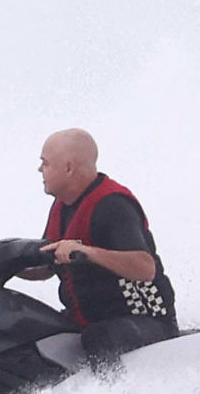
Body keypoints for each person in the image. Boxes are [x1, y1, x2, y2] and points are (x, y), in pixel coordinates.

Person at [36, 128, 179, 362]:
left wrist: (86, 251)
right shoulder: (62, 206)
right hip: (89, 320)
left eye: (45, 163)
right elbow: (44, 267)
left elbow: (145, 268)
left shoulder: (112, 204)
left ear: (69, 168)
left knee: (100, 337)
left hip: (148, 321)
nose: (40, 170)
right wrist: (7, 262)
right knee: (35, 328)